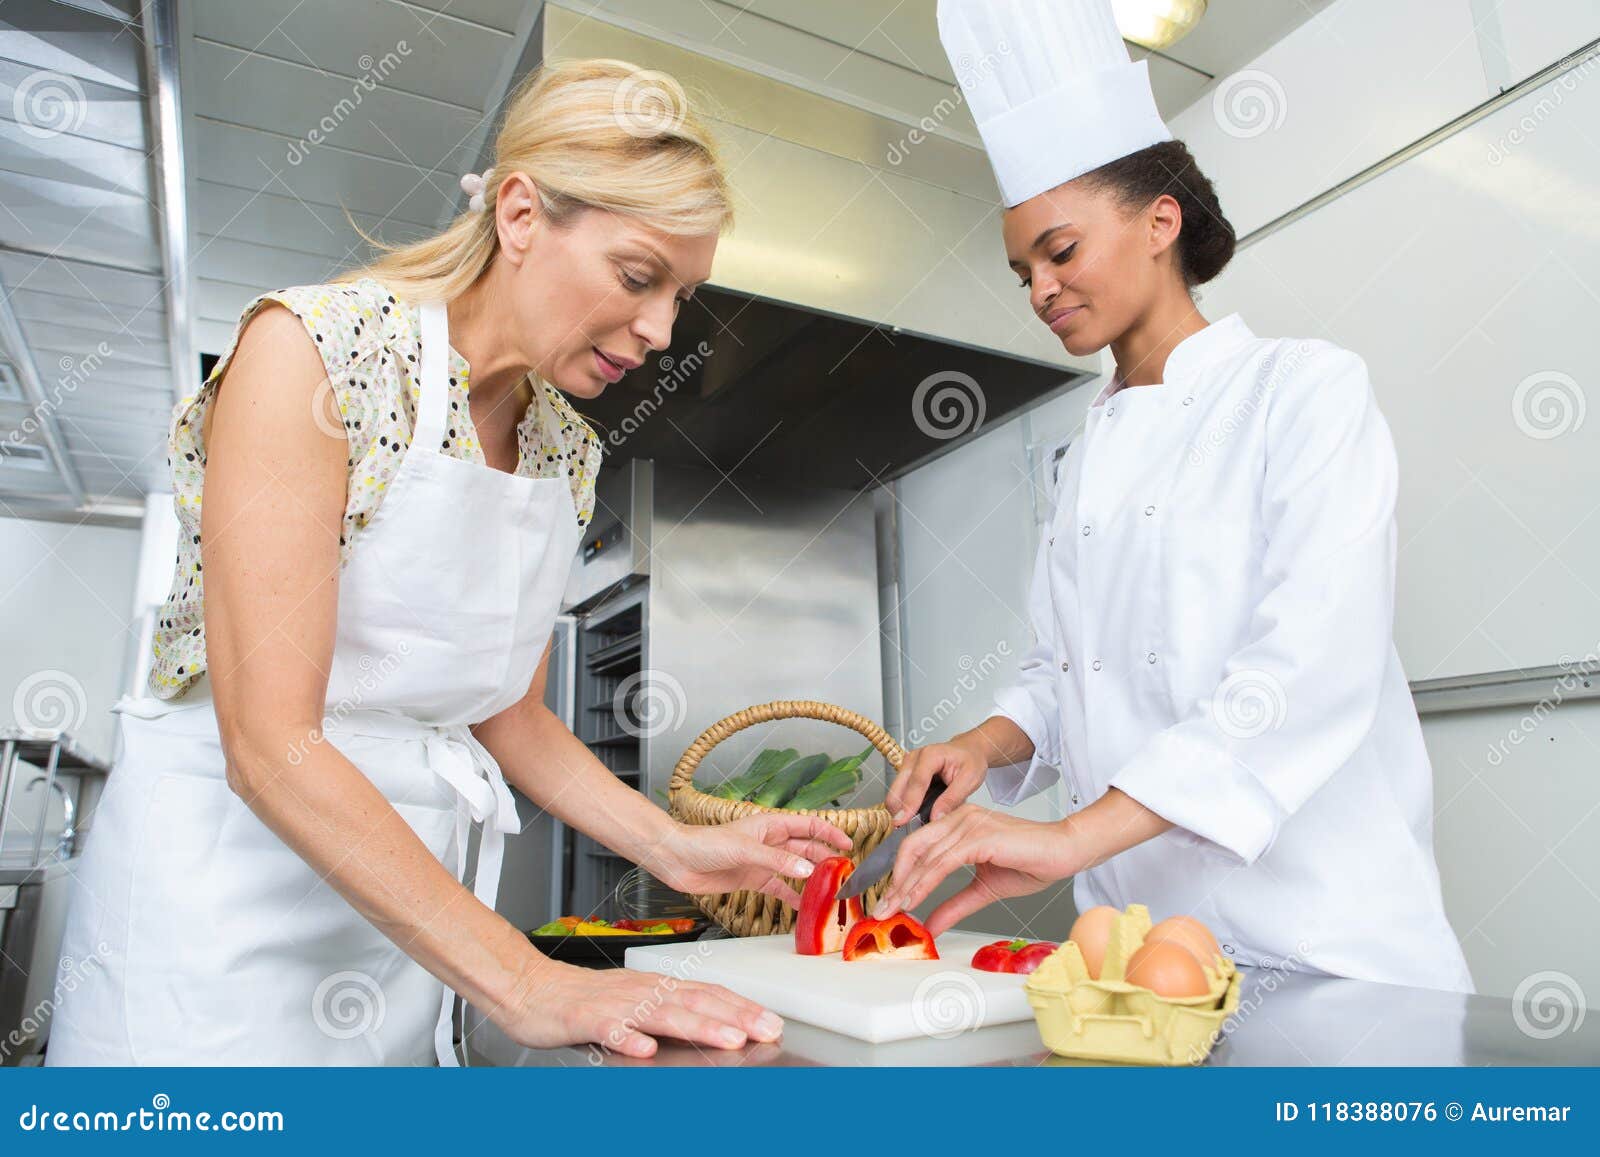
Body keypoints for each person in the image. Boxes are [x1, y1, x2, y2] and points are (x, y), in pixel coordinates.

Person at [49, 59, 852, 1066]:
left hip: (402, 921)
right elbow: (270, 742)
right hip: (219, 909)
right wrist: (522, 976)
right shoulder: (317, 356)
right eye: (639, 276)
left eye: (680, 296)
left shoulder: (565, 445)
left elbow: (503, 709)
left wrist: (670, 845)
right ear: (520, 214)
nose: (660, 332)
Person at [874, 0, 1473, 994]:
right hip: (1142, 958)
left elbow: (1306, 663)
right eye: (1023, 271)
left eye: (1060, 252)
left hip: (1328, 945)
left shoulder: (1303, 389)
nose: (1039, 291)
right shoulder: (1081, 460)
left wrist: (1072, 831)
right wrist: (981, 744)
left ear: (1160, 222)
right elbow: (1064, 670)